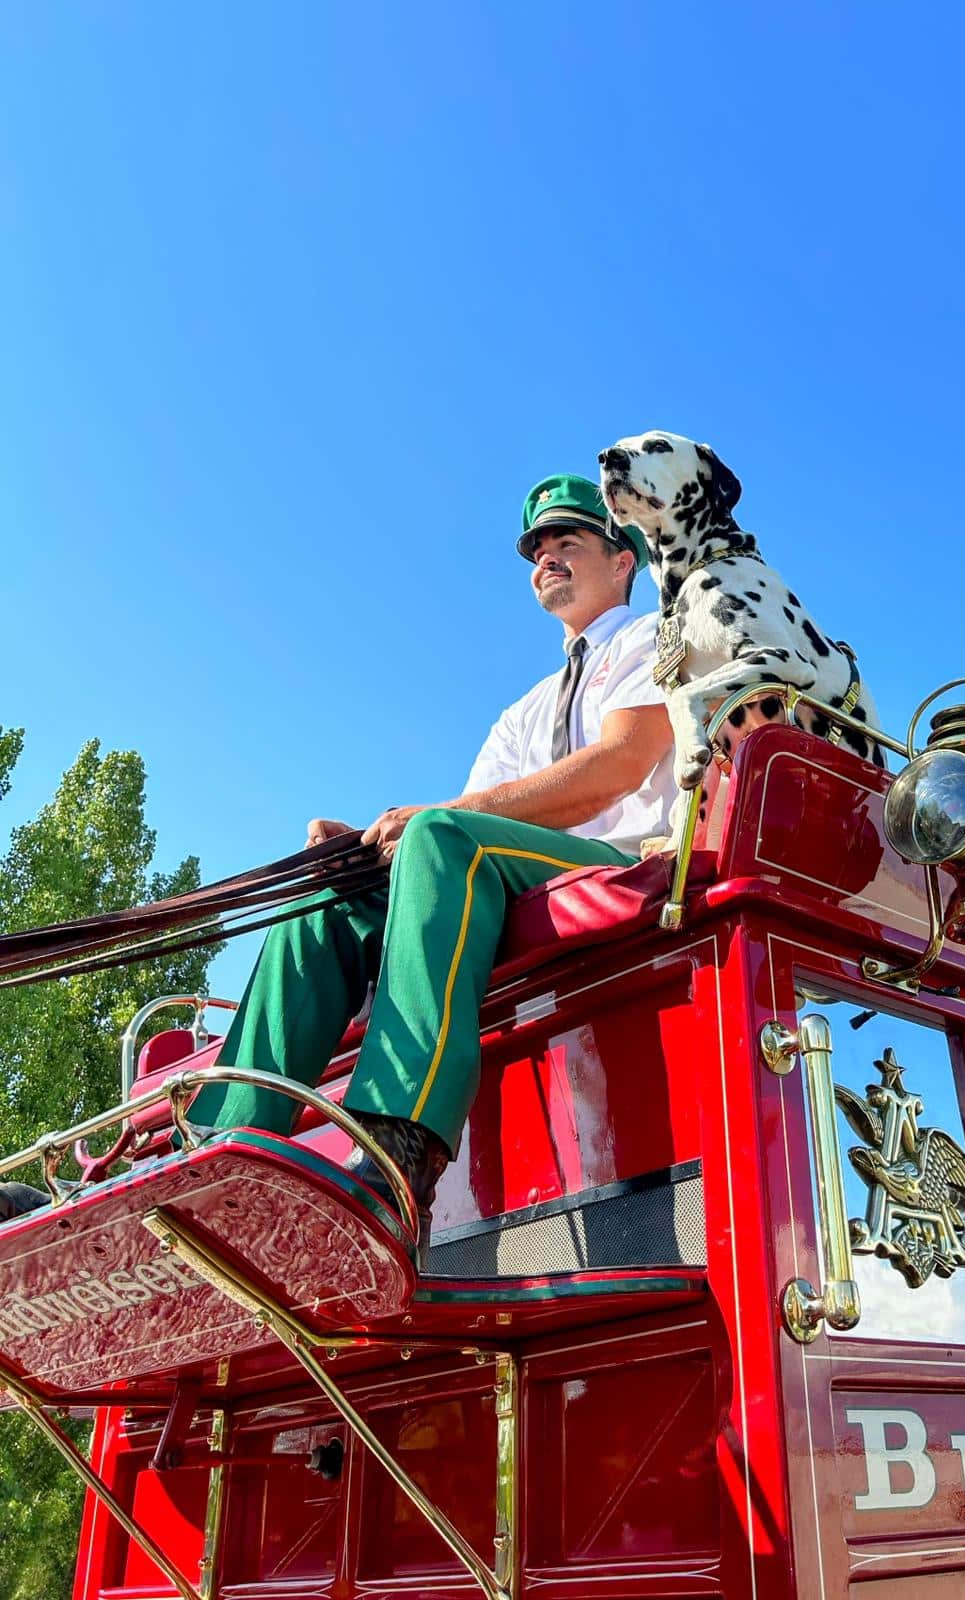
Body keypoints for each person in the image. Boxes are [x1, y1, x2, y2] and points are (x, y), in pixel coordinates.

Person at [0, 475, 674, 1243]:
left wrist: (431, 822)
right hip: (509, 858)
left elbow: (619, 765)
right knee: (324, 903)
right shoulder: (522, 711)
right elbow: (459, 827)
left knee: (440, 836)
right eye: (537, 550)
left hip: (609, 856)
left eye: (568, 542)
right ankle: (206, 1161)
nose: (546, 558)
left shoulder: (648, 638)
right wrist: (363, 846)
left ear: (623, 561)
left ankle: (395, 1144)